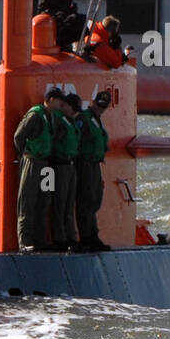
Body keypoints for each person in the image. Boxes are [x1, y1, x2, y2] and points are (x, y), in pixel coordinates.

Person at [13, 87, 63, 251]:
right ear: (50, 100)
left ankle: (40, 241)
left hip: (46, 166)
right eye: (59, 101)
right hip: (33, 162)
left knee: (44, 202)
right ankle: (25, 243)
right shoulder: (35, 115)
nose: (61, 104)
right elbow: (18, 136)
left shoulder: (52, 117)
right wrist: (24, 155)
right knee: (27, 202)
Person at [75, 90, 113, 251]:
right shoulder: (83, 118)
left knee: (95, 200)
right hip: (84, 164)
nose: (100, 108)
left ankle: (93, 236)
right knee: (86, 200)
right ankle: (87, 237)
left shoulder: (97, 120)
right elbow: (76, 138)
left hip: (95, 164)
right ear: (94, 102)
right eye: (99, 105)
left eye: (103, 106)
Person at [48, 93, 80, 250]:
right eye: (72, 108)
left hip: (71, 165)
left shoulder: (69, 120)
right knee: (59, 204)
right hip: (59, 166)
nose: (74, 112)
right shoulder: (58, 119)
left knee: (68, 205)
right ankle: (59, 239)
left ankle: (70, 238)